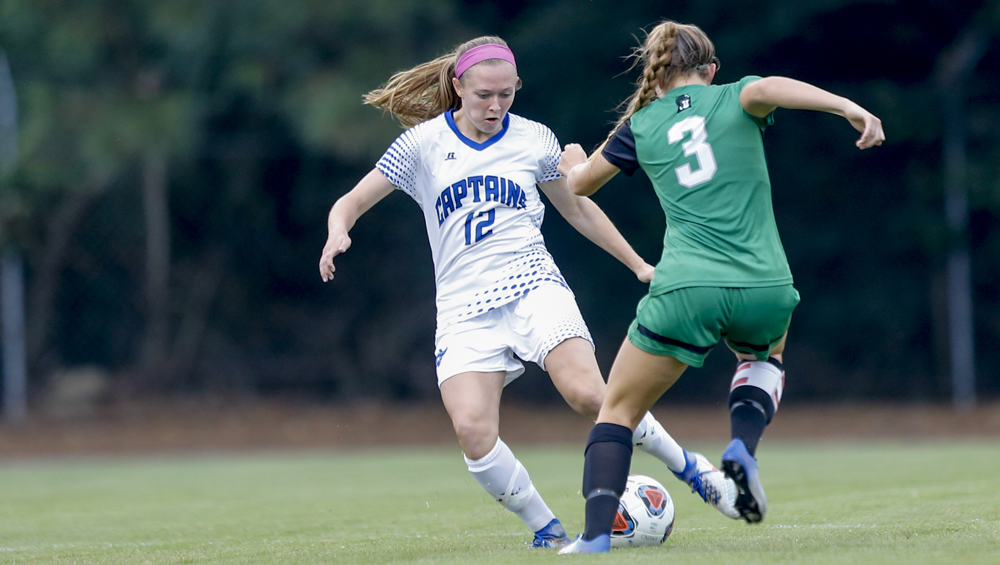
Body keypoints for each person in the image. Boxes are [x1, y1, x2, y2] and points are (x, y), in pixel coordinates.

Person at [318, 36, 742, 548]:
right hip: (463, 308)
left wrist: (637, 264)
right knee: (474, 433)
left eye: (506, 94)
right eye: (483, 96)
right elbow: (351, 200)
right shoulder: (422, 145)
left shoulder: (534, 139)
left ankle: (692, 469)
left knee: (590, 393)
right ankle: (546, 529)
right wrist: (338, 230)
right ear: (459, 86)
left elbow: (579, 207)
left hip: (533, 286)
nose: (495, 106)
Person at [554, 20, 885, 553]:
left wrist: (572, 166)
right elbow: (769, 86)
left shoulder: (638, 125)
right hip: (766, 285)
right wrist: (848, 106)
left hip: (687, 289)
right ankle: (742, 448)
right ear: (711, 71)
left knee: (616, 411)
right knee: (763, 358)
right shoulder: (737, 95)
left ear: (656, 78)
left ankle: (594, 538)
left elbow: (581, 187)